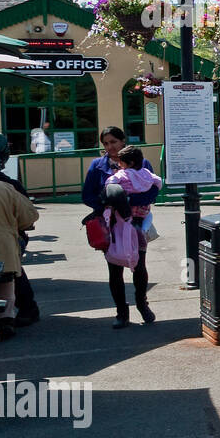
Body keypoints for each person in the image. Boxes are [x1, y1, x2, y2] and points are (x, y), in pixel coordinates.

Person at [83, 126, 160, 328]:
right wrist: (106, 203)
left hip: (136, 222)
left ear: (122, 141)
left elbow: (152, 192)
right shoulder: (98, 165)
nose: (110, 147)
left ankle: (142, 304)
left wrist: (125, 201)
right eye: (106, 144)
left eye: (113, 142)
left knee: (139, 265)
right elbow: (87, 194)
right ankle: (121, 312)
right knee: (114, 268)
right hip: (110, 224)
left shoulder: (141, 162)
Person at [0, 176, 37, 340]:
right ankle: (4, 321)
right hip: (3, 250)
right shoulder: (5, 188)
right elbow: (29, 216)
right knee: (5, 287)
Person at [107, 146, 162, 245]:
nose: (119, 164)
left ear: (130, 163)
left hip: (127, 207)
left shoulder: (123, 174)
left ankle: (130, 233)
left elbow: (110, 182)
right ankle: (143, 230)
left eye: (121, 162)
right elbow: (158, 181)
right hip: (143, 209)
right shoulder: (146, 172)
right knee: (149, 215)